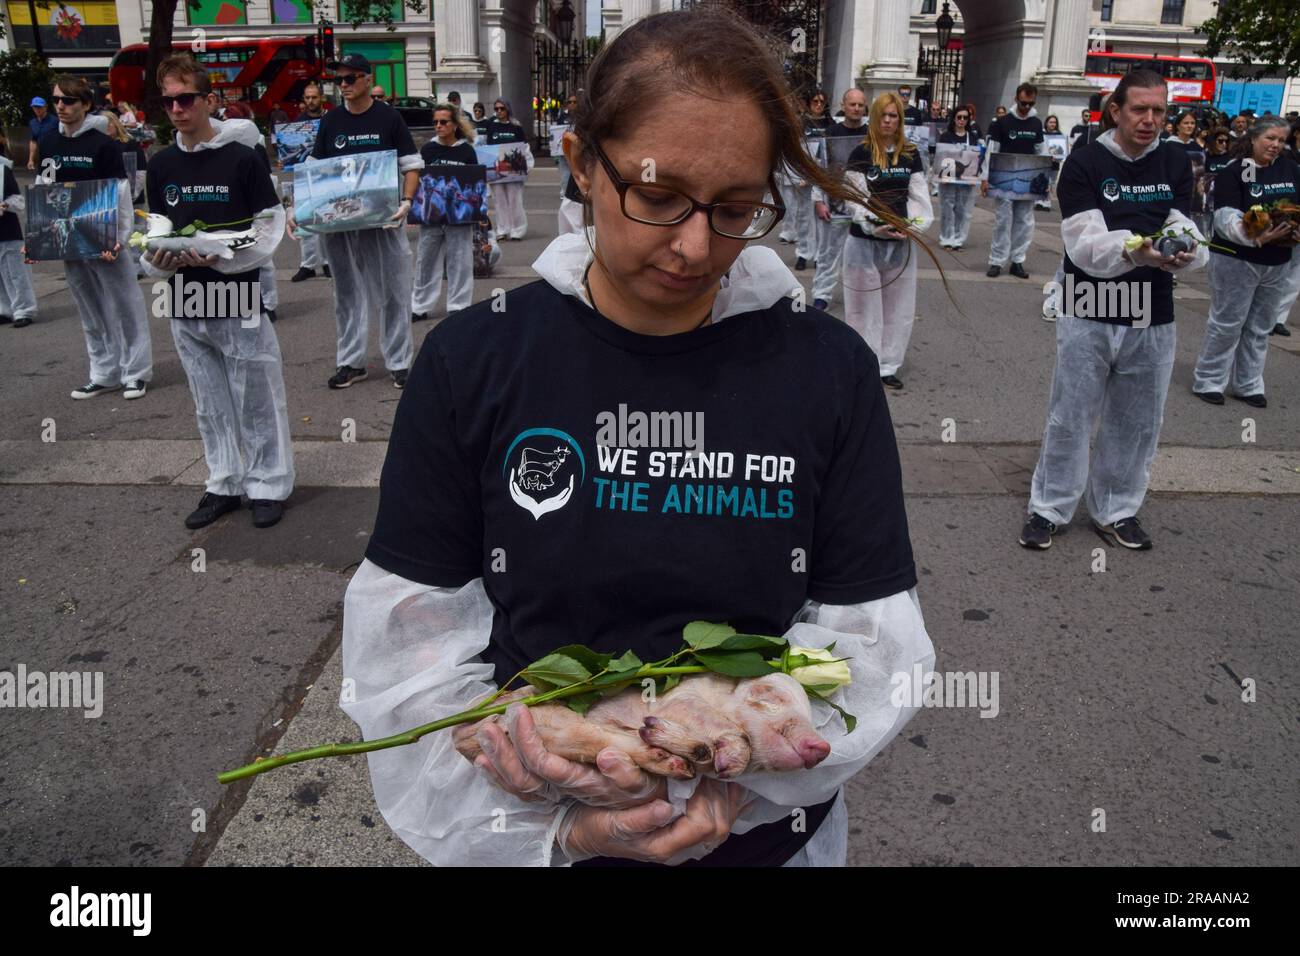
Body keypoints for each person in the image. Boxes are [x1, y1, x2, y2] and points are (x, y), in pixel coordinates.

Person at [340, 5, 933, 869]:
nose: (694, 245)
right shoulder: (475, 360)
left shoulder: (828, 369)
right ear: (582, 164)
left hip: (762, 844)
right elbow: (408, 656)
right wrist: (556, 818)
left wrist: (720, 760)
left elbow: (873, 642)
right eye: (656, 196)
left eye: (735, 209)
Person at [1019, 70, 1206, 552]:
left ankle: (1117, 509)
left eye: (1159, 111)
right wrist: (1136, 251)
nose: (1149, 120)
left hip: (1152, 307)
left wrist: (1185, 247)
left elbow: (1182, 220)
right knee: (1072, 412)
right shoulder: (1083, 163)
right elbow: (1083, 243)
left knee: (1138, 417)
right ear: (1116, 111)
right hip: (1091, 303)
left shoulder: (1175, 161)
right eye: (1139, 109)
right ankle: (1050, 507)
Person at [141, 54, 293, 530]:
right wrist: (156, 259)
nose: (177, 109)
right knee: (207, 396)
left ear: (208, 99)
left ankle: (268, 482)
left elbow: (269, 228)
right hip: (185, 297)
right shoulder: (161, 164)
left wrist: (227, 258)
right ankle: (223, 480)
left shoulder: (242, 158)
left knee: (255, 392)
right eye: (169, 101)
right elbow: (157, 229)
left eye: (186, 98)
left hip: (237, 293)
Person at [293, 53, 422, 390]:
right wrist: (297, 210)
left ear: (367, 78)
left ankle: (399, 362)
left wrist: (406, 202)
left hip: (382, 220)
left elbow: (412, 165)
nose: (344, 85)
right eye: (339, 80)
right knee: (347, 293)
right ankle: (352, 362)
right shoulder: (331, 121)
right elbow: (313, 169)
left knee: (393, 291)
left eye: (350, 79)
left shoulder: (389, 118)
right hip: (339, 223)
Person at [34, 76, 152, 399]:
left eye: (69, 101)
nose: (61, 106)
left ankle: (136, 372)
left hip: (105, 238)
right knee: (89, 307)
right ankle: (103, 371)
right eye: (57, 99)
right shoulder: (49, 143)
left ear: (86, 104)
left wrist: (120, 238)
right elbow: (44, 190)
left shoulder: (104, 145)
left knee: (125, 303)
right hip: (70, 239)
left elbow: (121, 193)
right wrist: (40, 237)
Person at [1192, 115, 1298, 404]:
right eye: (1270, 139)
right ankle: (1209, 379)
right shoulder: (1234, 171)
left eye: (1281, 140)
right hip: (1236, 258)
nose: (1276, 145)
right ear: (1253, 139)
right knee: (1227, 322)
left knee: (1260, 326)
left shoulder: (1291, 170)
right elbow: (1225, 217)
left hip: (1277, 260)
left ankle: (1248, 383)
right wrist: (1256, 236)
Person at [841, 92, 932, 390]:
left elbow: (919, 198)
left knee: (898, 306)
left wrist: (912, 226)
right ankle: (864, 364)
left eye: (895, 116)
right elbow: (854, 198)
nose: (889, 121)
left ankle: (888, 365)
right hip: (864, 242)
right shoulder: (861, 153)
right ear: (875, 117)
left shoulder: (910, 154)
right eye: (884, 115)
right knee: (862, 307)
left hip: (899, 242)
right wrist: (872, 225)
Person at [411, 103, 480, 324]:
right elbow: (420, 181)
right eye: (435, 122)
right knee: (426, 260)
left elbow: (474, 184)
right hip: (432, 215)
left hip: (459, 216)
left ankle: (458, 305)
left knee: (460, 260)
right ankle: (420, 305)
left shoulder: (466, 150)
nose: (438, 126)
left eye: (443, 122)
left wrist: (477, 213)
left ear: (455, 125)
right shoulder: (428, 150)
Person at [810, 88, 868, 311]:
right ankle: (822, 294)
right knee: (828, 254)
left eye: (860, 105)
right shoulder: (830, 133)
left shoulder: (871, 136)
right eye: (852, 104)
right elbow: (819, 169)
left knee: (861, 257)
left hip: (862, 206)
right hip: (833, 204)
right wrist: (818, 200)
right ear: (843, 106)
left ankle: (860, 297)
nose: (856, 109)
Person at [982, 82, 1044, 279]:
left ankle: (1017, 261)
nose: (1026, 107)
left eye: (1030, 104)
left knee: (1024, 221)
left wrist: (1046, 179)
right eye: (1023, 103)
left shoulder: (1036, 124)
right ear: (1016, 99)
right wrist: (985, 178)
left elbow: (1041, 152)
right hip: (1003, 178)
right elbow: (992, 151)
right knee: (1002, 221)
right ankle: (996, 260)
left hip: (1028, 178)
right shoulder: (1002, 122)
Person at [290, 81, 331, 284]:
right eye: (307, 97)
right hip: (304, 178)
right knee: (305, 221)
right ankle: (307, 265)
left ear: (321, 98)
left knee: (327, 220)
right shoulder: (296, 123)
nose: (311, 101)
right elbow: (291, 153)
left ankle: (327, 262)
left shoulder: (330, 119)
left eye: (314, 97)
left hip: (327, 176)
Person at [487, 99, 534, 240]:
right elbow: (488, 148)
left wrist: (526, 167)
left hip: (513, 170)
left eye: (502, 108)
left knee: (515, 200)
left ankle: (517, 230)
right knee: (499, 200)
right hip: (497, 170)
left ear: (507, 109)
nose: (499, 111)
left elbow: (524, 148)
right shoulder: (491, 126)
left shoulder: (516, 127)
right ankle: (502, 229)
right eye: (496, 109)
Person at [0, 154, 38, 328]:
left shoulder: (2, 169)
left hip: (6, 229)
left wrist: (5, 205)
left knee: (16, 272)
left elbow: (18, 200)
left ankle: (24, 309)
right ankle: (4, 309)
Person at [936, 106, 979, 249]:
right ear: (954, 118)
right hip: (948, 175)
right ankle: (946, 238)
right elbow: (940, 156)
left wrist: (975, 175)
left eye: (965, 118)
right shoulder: (946, 136)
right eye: (959, 117)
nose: (962, 120)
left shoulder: (972, 137)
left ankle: (958, 240)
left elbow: (976, 157)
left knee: (962, 209)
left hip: (965, 177)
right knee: (947, 208)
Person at [27, 97, 59, 171]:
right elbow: (33, 141)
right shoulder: (33, 123)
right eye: (35, 107)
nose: (37, 109)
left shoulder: (55, 121)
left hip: (55, 158)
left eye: (40, 107)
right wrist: (31, 159)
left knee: (47, 180)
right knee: (43, 180)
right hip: (43, 158)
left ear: (45, 107)